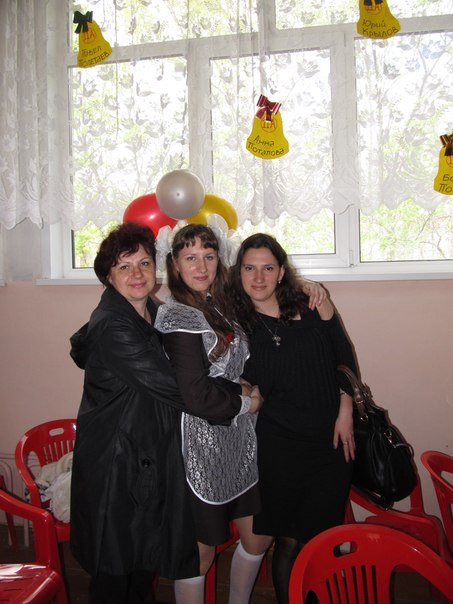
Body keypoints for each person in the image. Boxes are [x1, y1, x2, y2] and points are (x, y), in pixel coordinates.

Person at [69, 222, 240, 604]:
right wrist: (239, 398)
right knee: (114, 570)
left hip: (146, 457)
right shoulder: (113, 326)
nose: (137, 274)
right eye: (124, 266)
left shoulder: (155, 311)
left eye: (144, 263)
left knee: (141, 563)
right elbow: (178, 388)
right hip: (116, 464)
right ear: (108, 276)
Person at [228, 233, 357, 604]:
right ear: (238, 273)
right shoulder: (236, 325)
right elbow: (235, 379)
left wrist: (346, 408)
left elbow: (344, 357)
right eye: (249, 268)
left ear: (282, 272)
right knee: (287, 541)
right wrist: (245, 390)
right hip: (279, 445)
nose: (258, 277)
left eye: (268, 268)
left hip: (331, 440)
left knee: (321, 539)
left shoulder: (313, 303)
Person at [154, 224, 273, 604]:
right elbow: (196, 395)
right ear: (174, 264)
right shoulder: (178, 316)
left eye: (208, 256)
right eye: (190, 258)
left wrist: (244, 384)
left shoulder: (217, 303)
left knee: (258, 537)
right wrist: (247, 401)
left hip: (239, 444)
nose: (201, 266)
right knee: (200, 554)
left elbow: (227, 366)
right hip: (201, 448)